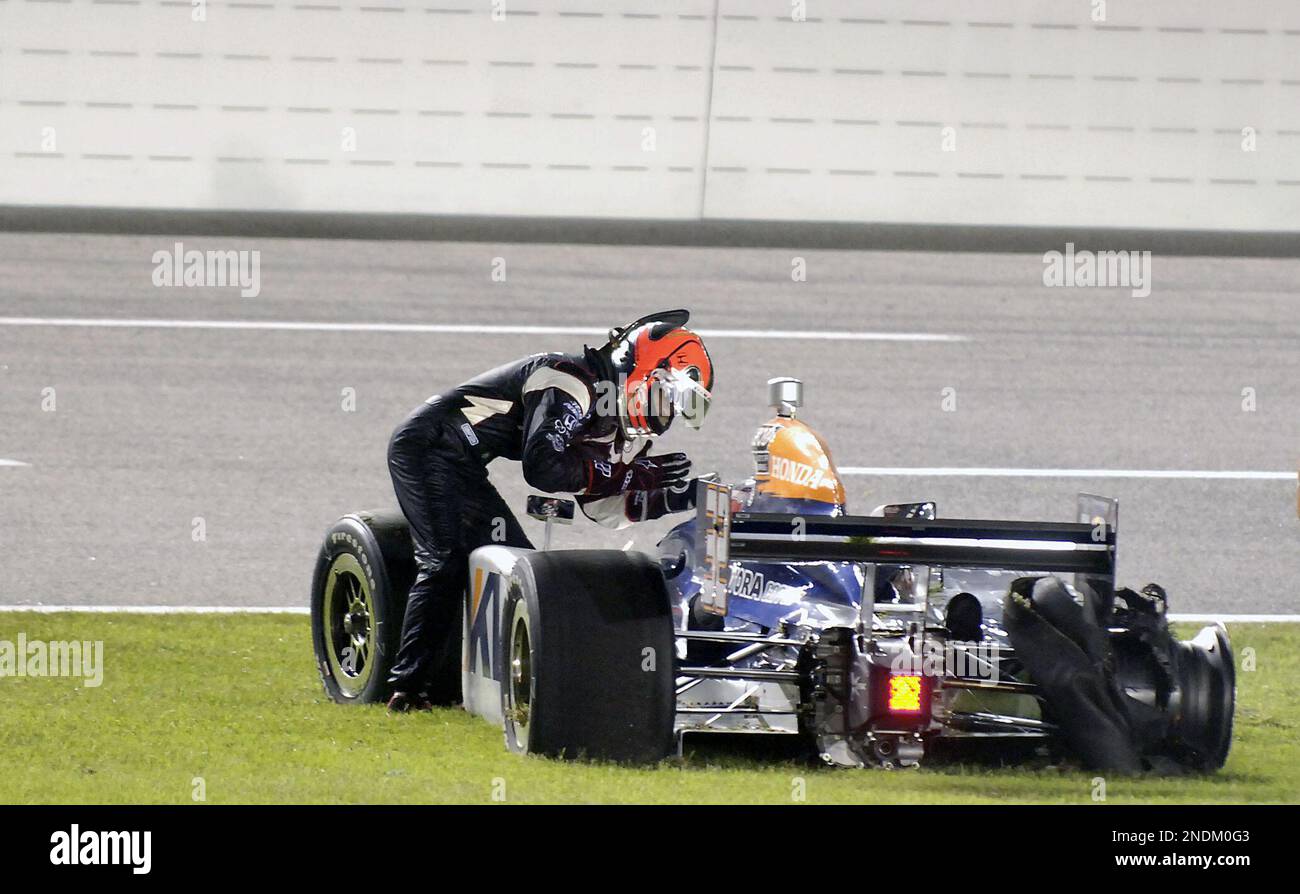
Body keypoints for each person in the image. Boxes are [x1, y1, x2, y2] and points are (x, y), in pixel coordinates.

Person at [384, 309, 714, 711]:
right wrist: (631, 474)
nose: (665, 418)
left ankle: (496, 687)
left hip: (463, 463)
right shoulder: (569, 379)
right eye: (666, 399)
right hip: (428, 445)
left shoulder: (611, 420)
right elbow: (543, 466)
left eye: (674, 408)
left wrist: (681, 496)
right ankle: (407, 690)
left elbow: (604, 508)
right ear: (642, 370)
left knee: (515, 567)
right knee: (446, 559)